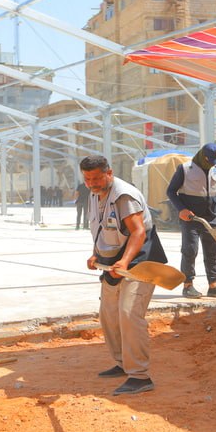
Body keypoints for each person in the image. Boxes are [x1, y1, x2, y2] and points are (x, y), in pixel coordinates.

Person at [81, 154, 169, 396]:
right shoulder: (94, 193)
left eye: (97, 177)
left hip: (139, 260)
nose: (92, 183)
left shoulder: (124, 196)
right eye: (88, 179)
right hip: (111, 262)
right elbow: (100, 227)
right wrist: (95, 254)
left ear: (109, 173)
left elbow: (138, 232)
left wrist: (125, 262)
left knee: (129, 313)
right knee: (109, 314)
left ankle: (140, 376)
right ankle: (122, 362)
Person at [166, 142, 216, 299]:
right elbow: (171, 191)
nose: (213, 164)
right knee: (190, 250)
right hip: (191, 216)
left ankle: (213, 285)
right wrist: (182, 209)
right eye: (210, 161)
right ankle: (188, 285)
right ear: (203, 156)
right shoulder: (185, 169)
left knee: (213, 250)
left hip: (211, 215)